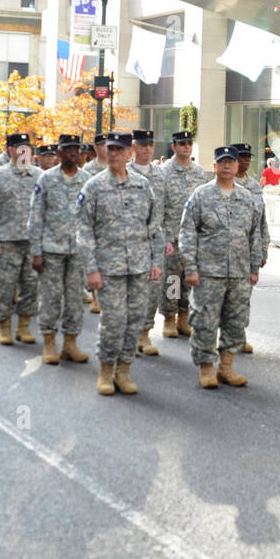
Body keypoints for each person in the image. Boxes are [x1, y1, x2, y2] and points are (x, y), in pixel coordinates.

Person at [80, 130, 164, 395]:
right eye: (110, 149)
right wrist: (91, 269)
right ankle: (106, 371)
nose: (114, 153)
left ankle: (124, 370)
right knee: (113, 321)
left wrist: (156, 261)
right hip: (110, 269)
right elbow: (84, 231)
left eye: (119, 149)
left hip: (139, 267)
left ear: (130, 153)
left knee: (135, 320)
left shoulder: (143, 186)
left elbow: (154, 227)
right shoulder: (93, 187)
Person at [179, 144, 262, 388]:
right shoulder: (201, 196)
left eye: (231, 162)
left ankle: (226, 367)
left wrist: (254, 268)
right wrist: (190, 268)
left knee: (235, 321)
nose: (227, 166)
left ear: (237, 166)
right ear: (214, 166)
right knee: (204, 322)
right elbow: (187, 233)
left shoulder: (247, 199)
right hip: (208, 273)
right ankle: (206, 368)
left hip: (238, 273)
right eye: (222, 162)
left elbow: (255, 235)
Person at [29, 134, 93, 364]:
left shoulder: (87, 180)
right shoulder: (46, 179)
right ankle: (49, 342)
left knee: (75, 299)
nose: (73, 154)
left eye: (76, 149)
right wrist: (36, 252)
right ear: (59, 153)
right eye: (68, 150)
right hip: (51, 250)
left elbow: (92, 218)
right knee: (50, 298)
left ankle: (70, 343)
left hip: (77, 252)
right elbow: (35, 216)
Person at [0, 133, 39, 346]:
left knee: (31, 287)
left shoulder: (40, 176)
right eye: (19, 148)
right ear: (10, 151)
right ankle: (5, 327)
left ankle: (24, 326)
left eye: (27, 148)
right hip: (6, 242)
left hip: (32, 242)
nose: (24, 152)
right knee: (5, 287)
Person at [160, 130, 210, 339]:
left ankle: (184, 315)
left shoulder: (199, 173)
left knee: (190, 278)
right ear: (174, 147)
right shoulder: (163, 172)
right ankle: (169, 318)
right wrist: (163, 237)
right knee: (172, 279)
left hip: (193, 237)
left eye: (189, 143)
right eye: (182, 144)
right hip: (172, 236)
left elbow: (204, 204)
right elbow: (158, 207)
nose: (186, 147)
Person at [129, 129, 166, 356]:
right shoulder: (125, 172)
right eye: (143, 145)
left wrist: (168, 238)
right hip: (129, 241)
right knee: (129, 293)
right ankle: (129, 336)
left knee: (153, 290)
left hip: (154, 239)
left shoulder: (161, 175)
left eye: (150, 145)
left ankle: (144, 334)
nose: (147, 149)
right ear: (133, 147)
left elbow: (168, 208)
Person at [233, 143, 270, 354]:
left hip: (249, 249)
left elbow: (261, 220)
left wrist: (263, 249)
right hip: (225, 250)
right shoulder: (224, 183)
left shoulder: (254, 186)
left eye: (248, 157)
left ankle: (238, 335)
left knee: (243, 296)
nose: (246, 160)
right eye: (242, 156)